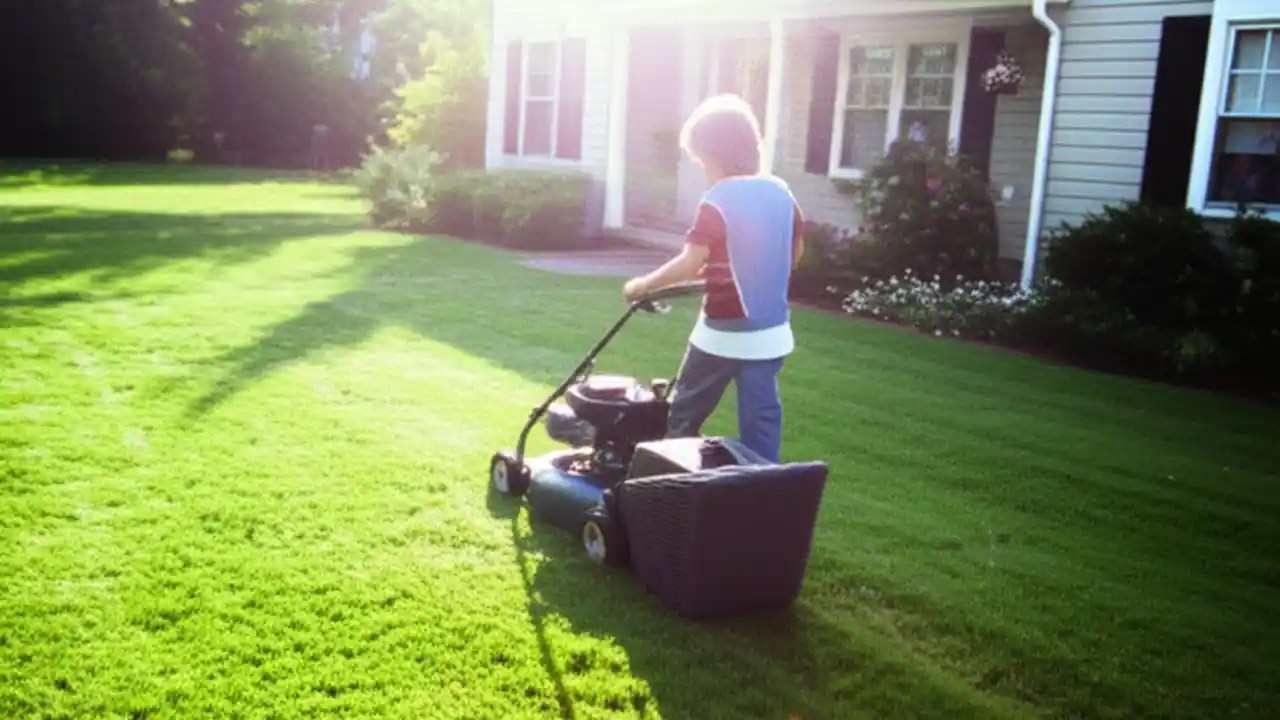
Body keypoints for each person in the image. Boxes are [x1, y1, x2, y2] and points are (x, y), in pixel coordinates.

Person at [623, 94, 804, 463]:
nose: (702, 168)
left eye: (701, 159)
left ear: (714, 153)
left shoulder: (718, 199)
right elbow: (794, 253)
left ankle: (667, 481)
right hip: (770, 334)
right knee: (762, 420)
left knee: (686, 412)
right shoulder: (781, 192)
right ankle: (762, 487)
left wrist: (643, 285)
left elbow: (691, 261)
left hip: (722, 334)